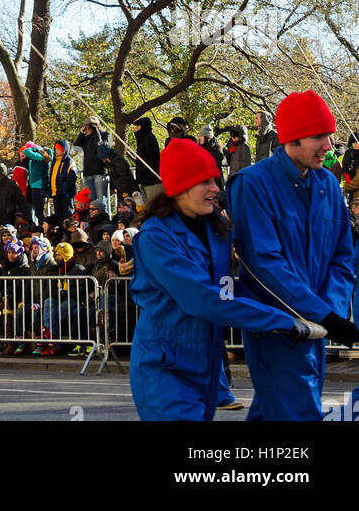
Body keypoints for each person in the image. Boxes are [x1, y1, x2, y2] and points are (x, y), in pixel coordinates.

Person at [130, 139, 304, 421]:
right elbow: (204, 298)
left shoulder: (217, 231)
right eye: (205, 182)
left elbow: (233, 286)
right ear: (180, 187)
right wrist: (284, 321)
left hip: (207, 366)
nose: (215, 189)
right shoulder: (156, 238)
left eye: (215, 180)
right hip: (166, 370)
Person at [228, 91, 359, 421]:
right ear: (291, 139)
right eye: (319, 137)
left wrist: (328, 312)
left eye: (329, 136)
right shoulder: (251, 183)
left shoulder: (328, 184)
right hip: (277, 327)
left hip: (316, 327)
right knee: (297, 412)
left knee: (277, 412)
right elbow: (263, 262)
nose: (329, 145)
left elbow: (343, 257)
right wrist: (324, 314)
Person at [0, 163, 28, 242]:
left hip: (7, 219)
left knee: (7, 240)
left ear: (1, 173)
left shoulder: (12, 185)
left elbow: (20, 201)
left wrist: (20, 215)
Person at [74, 117, 108, 207]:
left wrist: (96, 130)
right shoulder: (86, 138)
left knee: (102, 201)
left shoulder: (105, 135)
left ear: (98, 125)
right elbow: (76, 147)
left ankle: (106, 219)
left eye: (90, 126)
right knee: (90, 202)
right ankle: (94, 220)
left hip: (99, 172)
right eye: (87, 126)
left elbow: (100, 146)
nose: (88, 128)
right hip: (88, 173)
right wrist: (82, 133)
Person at [47, 139, 77, 223]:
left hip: (66, 195)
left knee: (67, 217)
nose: (56, 150)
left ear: (64, 149)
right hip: (56, 194)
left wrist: (63, 189)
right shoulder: (54, 161)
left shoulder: (69, 161)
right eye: (55, 148)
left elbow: (72, 177)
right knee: (59, 217)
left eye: (59, 148)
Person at [132, 119, 162, 202]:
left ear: (143, 127)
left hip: (152, 182)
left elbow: (147, 161)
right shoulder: (142, 141)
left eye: (138, 126)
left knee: (154, 207)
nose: (136, 129)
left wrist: (139, 177)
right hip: (145, 182)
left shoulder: (149, 139)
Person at [22, 143, 51, 225]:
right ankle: (45, 229)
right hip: (37, 186)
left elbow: (26, 151)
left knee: (39, 213)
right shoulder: (42, 157)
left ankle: (46, 229)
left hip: (38, 187)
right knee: (39, 212)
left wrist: (34, 148)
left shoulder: (40, 157)